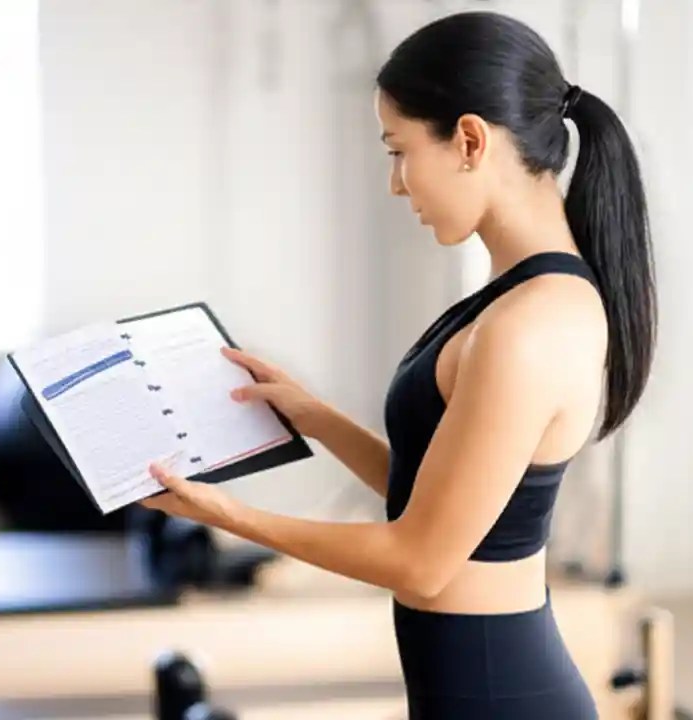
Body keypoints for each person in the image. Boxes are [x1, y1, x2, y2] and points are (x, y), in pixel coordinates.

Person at [139, 10, 655, 719]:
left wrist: (227, 514)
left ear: (469, 140)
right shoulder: (517, 299)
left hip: (500, 699)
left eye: (399, 150)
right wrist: (316, 417)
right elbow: (437, 499)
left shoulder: (530, 325)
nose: (396, 183)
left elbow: (421, 561)